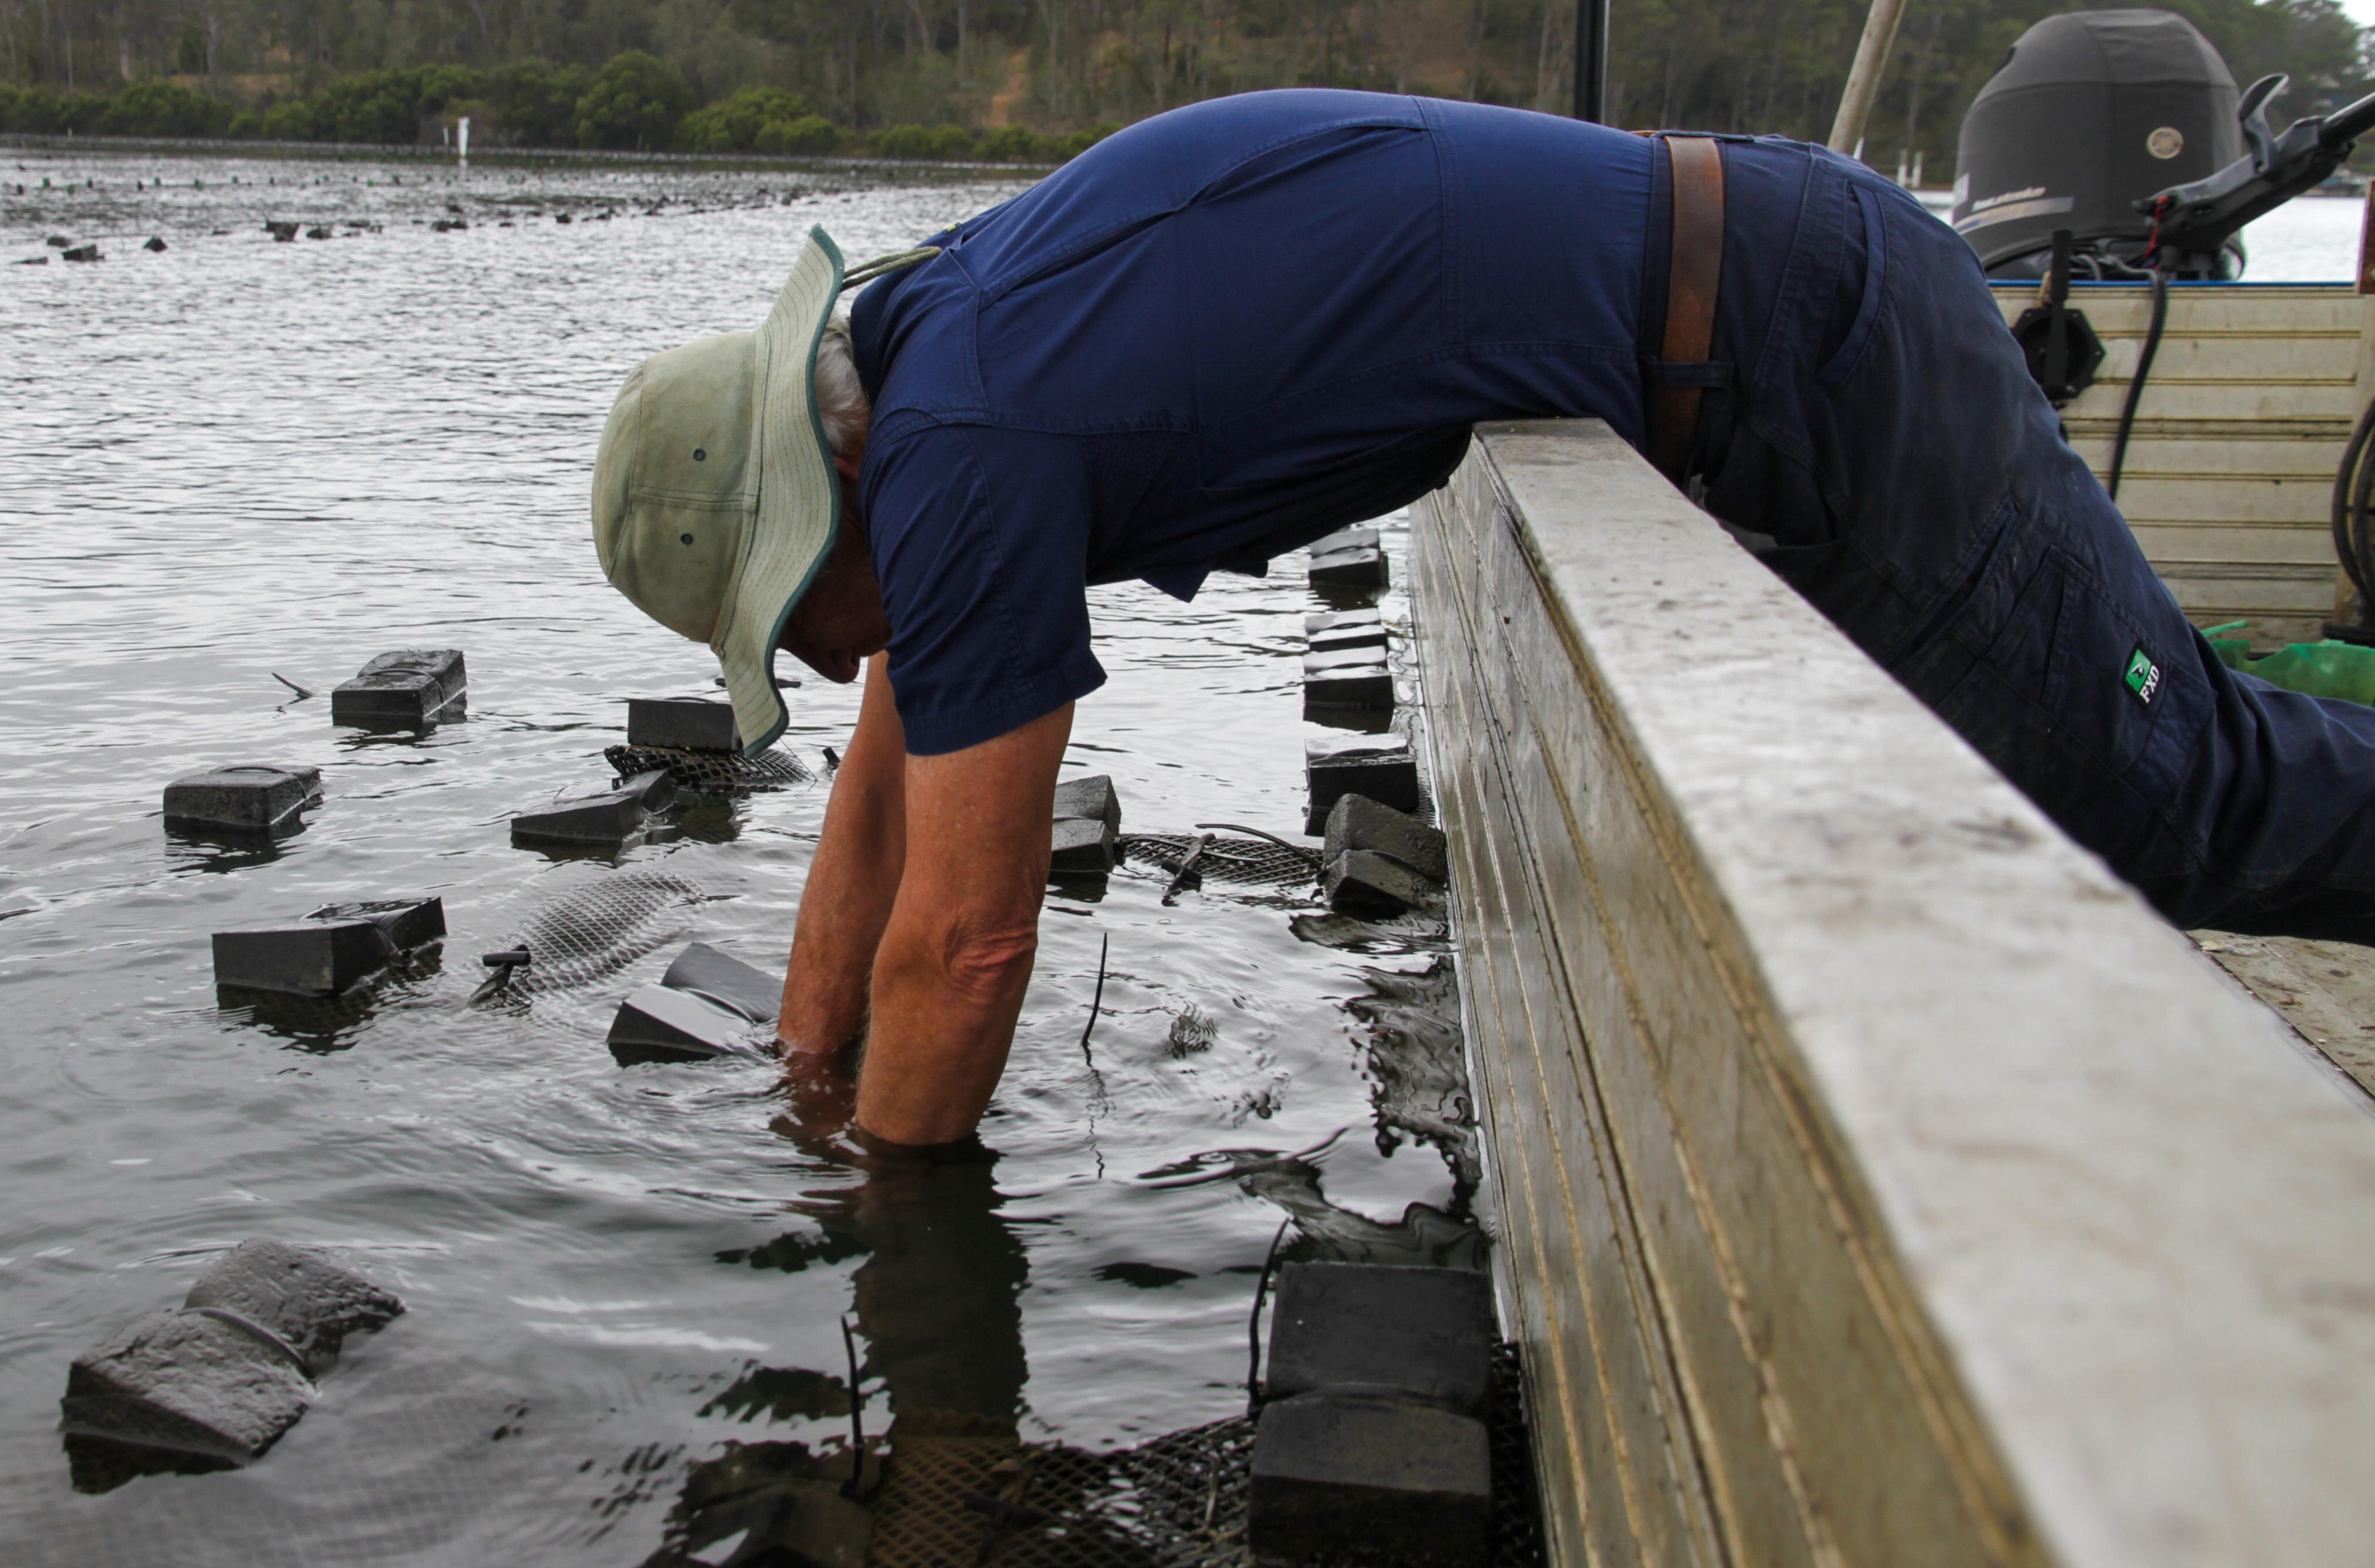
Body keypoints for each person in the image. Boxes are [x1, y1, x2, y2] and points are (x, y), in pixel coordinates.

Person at [591, 88, 2375, 1149]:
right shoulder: (940, 340)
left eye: (789, 624)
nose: (822, 665)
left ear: (829, 507)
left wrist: (885, 1226)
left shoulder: (963, 451)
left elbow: (968, 948)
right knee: (2072, 793)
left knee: (2170, 805)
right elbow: (877, 809)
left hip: (1813, 342)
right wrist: (805, 1077)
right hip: (1756, 320)